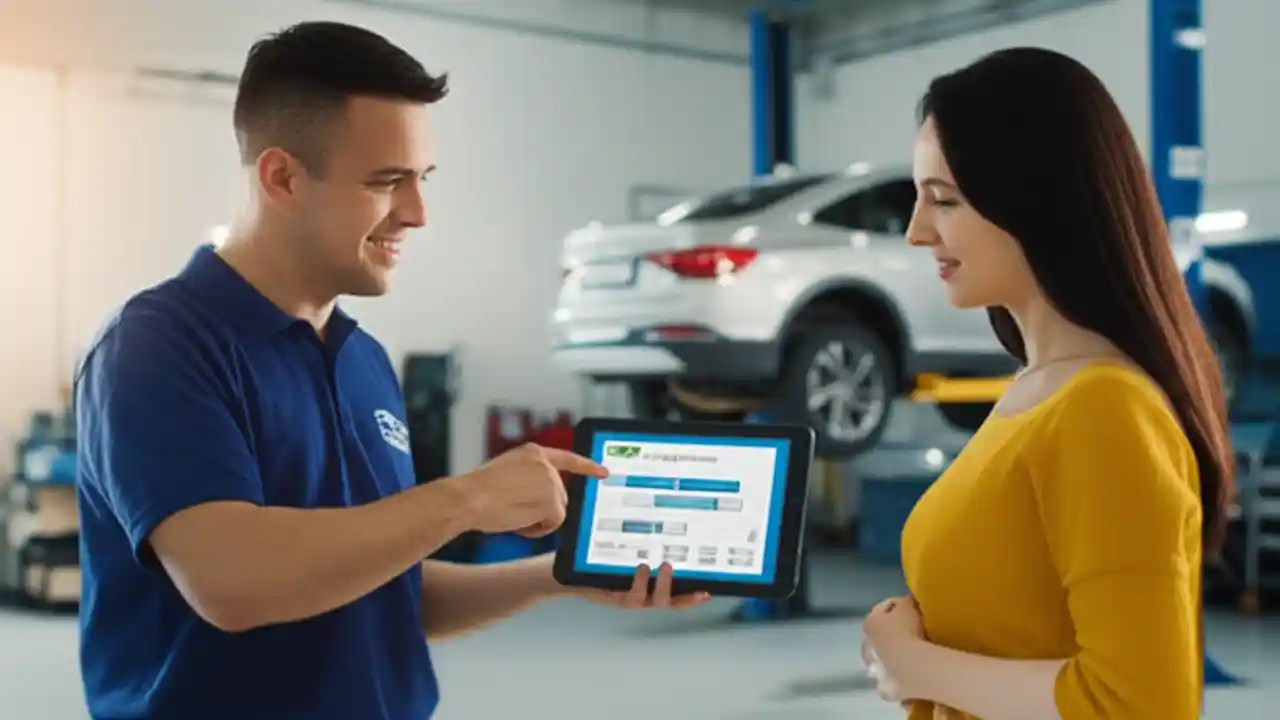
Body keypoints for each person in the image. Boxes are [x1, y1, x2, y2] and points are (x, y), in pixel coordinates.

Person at [73, 21, 708, 720]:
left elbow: (383, 590)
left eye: (423, 179)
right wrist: (466, 500)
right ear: (282, 177)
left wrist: (558, 578)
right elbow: (234, 582)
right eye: (387, 182)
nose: (418, 213)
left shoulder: (363, 360)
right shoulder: (158, 347)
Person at [858, 47, 1233, 719]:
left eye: (943, 200)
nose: (917, 232)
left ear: (1035, 201)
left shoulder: (1106, 410)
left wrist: (916, 666)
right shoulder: (1038, 392)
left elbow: (1141, 704)